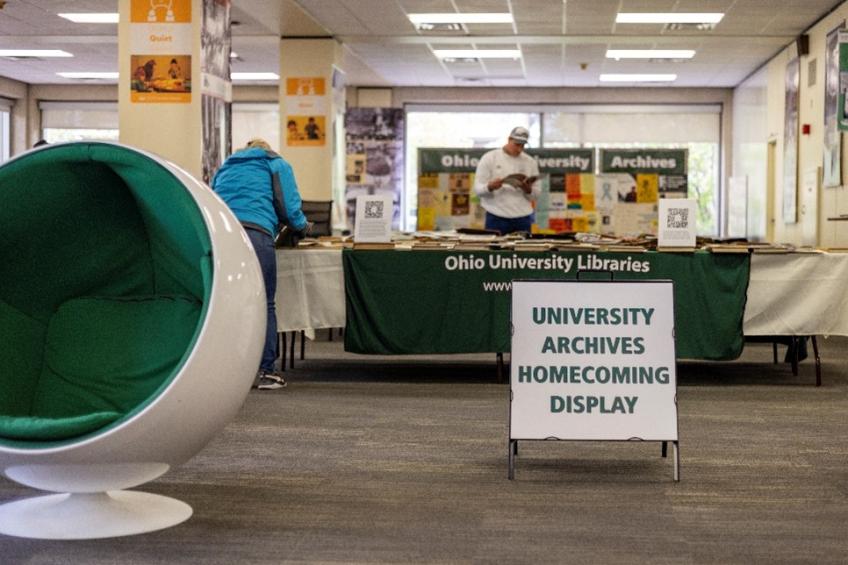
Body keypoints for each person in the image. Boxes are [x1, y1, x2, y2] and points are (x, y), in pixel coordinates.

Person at [212, 138, 310, 390]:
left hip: (223, 235)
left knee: (227, 303)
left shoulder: (225, 167)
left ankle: (226, 371)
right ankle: (266, 373)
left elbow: (213, 201)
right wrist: (303, 227)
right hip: (257, 234)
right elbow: (288, 207)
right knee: (265, 302)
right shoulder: (276, 164)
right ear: (267, 148)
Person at [473, 126, 541, 234]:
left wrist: (528, 189)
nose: (520, 149)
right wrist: (490, 187)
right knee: (495, 251)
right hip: (496, 216)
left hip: (523, 218)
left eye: (523, 145)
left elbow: (536, 195)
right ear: (509, 139)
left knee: (523, 250)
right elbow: (477, 189)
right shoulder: (490, 158)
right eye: (517, 145)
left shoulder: (530, 162)